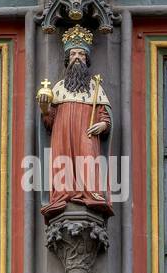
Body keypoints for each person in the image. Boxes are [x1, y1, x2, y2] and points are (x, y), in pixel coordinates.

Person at [37, 25, 113, 221]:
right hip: (62, 133)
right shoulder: (59, 87)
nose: (77, 57)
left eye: (81, 54)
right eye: (73, 54)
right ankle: (61, 195)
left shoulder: (95, 89)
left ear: (86, 59)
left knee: (88, 158)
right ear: (67, 59)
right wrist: (45, 109)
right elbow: (49, 121)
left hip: (86, 132)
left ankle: (91, 193)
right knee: (62, 161)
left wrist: (104, 125)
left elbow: (104, 114)